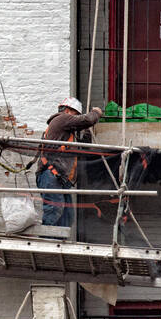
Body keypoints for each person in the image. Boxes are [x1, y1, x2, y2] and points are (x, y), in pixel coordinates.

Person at [35, 97, 103, 227]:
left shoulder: (68, 132)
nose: (76, 118)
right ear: (67, 110)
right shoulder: (61, 119)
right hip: (51, 175)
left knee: (67, 216)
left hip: (60, 179)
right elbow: (87, 119)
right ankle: (50, 242)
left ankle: (60, 243)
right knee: (54, 211)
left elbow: (83, 149)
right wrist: (96, 112)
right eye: (76, 114)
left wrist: (88, 131)